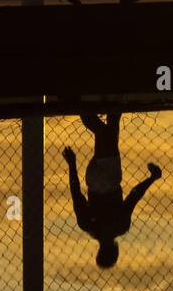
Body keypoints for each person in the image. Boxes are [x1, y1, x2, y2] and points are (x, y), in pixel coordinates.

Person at [62, 109, 161, 269]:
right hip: (93, 181)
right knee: (111, 131)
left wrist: (151, 179)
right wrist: (72, 165)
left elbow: (133, 197)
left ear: (116, 251)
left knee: (104, 133)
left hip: (110, 179)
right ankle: (110, 102)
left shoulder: (120, 226)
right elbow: (76, 195)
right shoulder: (87, 225)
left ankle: (80, 105)